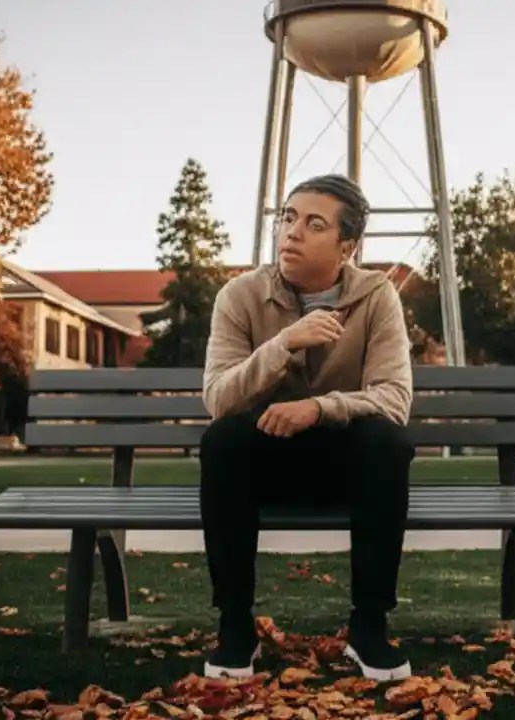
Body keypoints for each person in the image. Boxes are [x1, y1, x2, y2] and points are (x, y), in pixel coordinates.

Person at [198, 174, 415, 681]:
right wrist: (284, 344)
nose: (292, 232)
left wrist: (318, 408)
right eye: (288, 217)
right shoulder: (240, 295)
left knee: (387, 441)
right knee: (222, 440)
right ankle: (234, 627)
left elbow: (394, 398)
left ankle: (369, 627)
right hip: (265, 468)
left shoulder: (378, 297)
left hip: (347, 470)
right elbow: (218, 398)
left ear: (346, 246)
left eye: (313, 224)